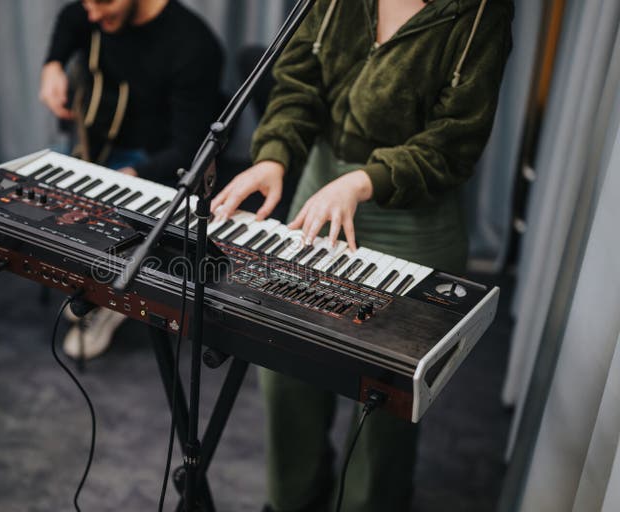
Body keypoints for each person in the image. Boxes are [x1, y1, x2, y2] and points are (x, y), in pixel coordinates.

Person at [210, 0, 513, 510]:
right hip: (320, 194)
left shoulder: (482, 13)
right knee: (285, 372)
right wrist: (273, 155)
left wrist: (364, 180)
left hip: (412, 219)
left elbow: (454, 143)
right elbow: (297, 84)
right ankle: (295, 498)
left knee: (383, 407)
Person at [39, 0, 223, 359]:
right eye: (88, 3)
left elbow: (188, 150)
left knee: (107, 220)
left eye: (103, 3)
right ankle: (80, 278)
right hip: (96, 141)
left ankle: (107, 300)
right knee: (31, 196)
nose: (92, 15)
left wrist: (131, 176)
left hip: (152, 158)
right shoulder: (93, 11)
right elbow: (71, 19)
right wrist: (52, 64)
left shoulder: (193, 45)